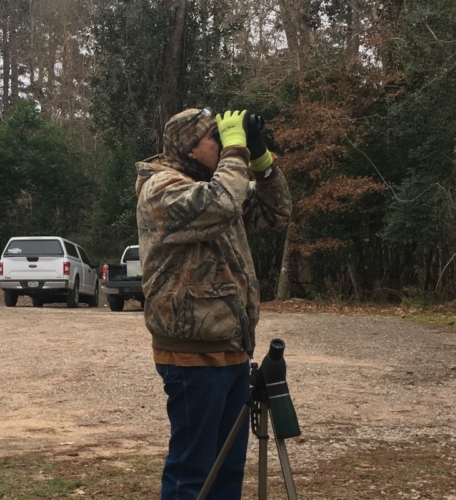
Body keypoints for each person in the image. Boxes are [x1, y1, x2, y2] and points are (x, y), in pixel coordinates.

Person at [135, 108, 293, 499]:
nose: (225, 146)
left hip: (232, 349)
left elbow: (277, 212)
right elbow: (221, 203)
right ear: (188, 147)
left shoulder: (220, 183)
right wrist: (236, 151)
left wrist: (259, 156)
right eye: (216, 139)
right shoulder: (162, 188)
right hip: (191, 357)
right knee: (193, 471)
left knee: (227, 470)